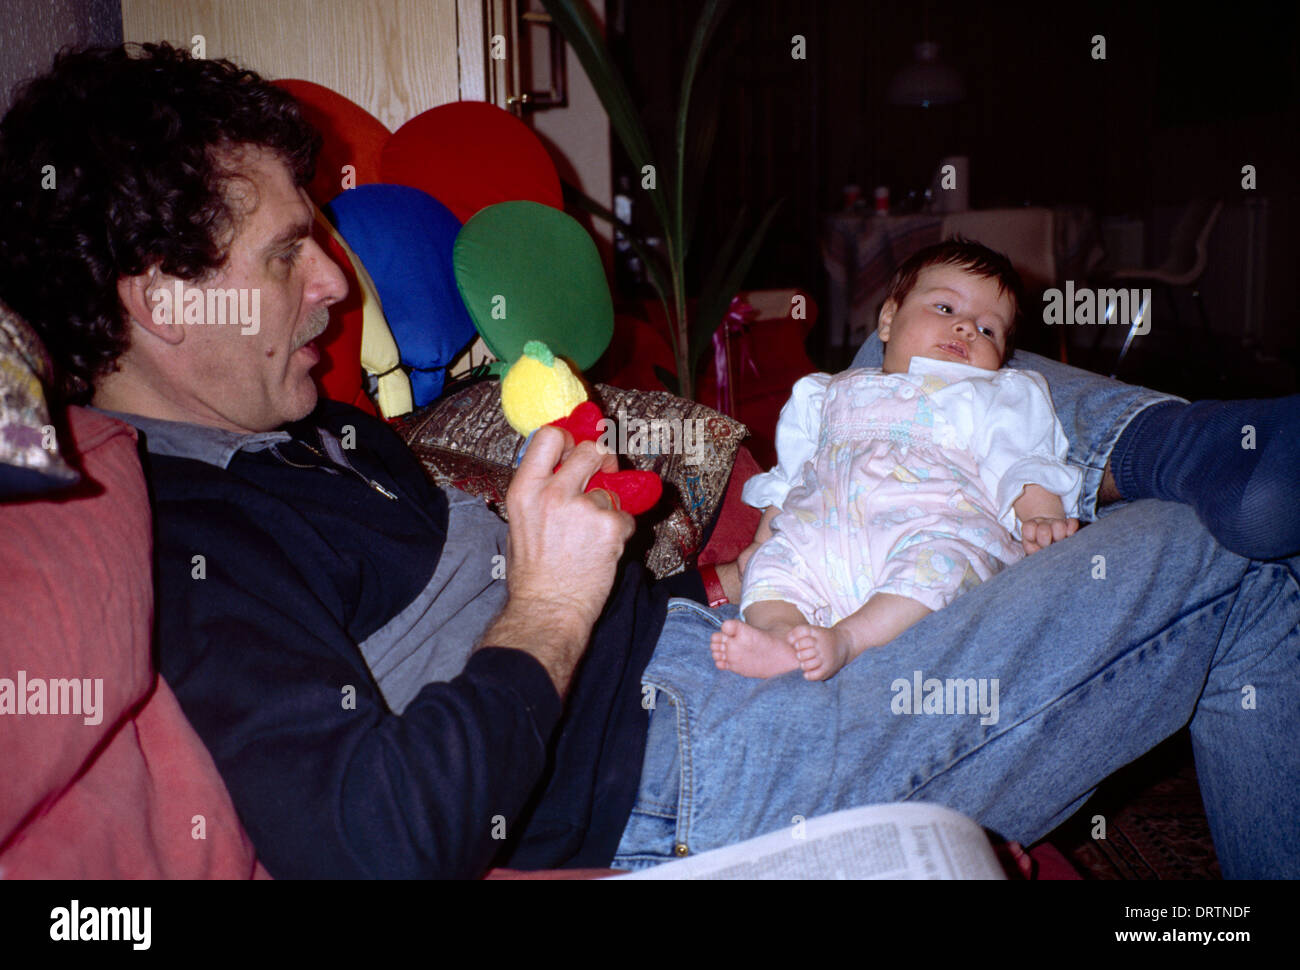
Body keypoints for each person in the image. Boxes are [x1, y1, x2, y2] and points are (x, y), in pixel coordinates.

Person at [1, 43, 1296, 879]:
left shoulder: (305, 432)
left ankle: (1159, 436)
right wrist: (556, 601)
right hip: (691, 765)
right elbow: (365, 842)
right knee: (1246, 552)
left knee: (903, 380)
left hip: (721, 650)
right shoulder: (181, 534)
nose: (336, 284)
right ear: (164, 298)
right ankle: (1182, 450)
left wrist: (698, 589)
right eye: (287, 253)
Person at [712, 241, 1083, 681]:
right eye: (946, 307)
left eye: (988, 331)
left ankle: (848, 639)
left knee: (943, 565)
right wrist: (762, 538)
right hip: (822, 539)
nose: (966, 327)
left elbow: (1024, 459)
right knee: (772, 568)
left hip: (930, 530)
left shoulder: (994, 394)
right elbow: (789, 476)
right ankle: (782, 636)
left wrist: (1041, 515)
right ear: (887, 320)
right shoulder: (824, 393)